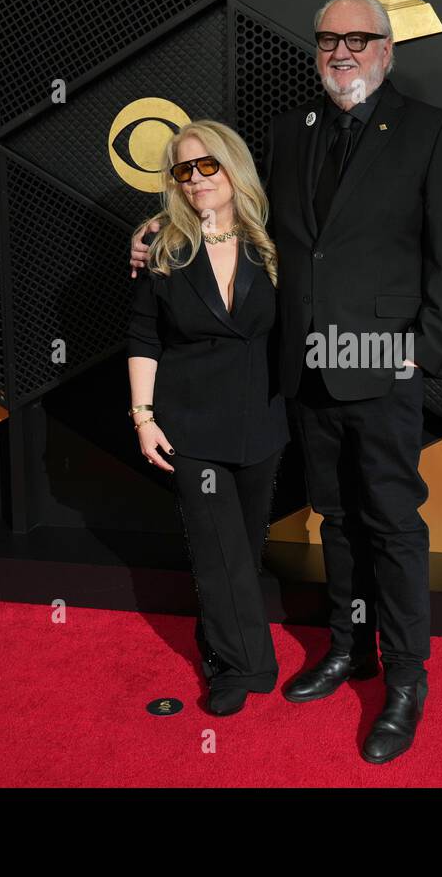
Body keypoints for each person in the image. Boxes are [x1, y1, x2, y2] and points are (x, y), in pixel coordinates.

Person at [132, 0, 442, 763]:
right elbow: (237, 210)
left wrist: (421, 352)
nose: (342, 52)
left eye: (359, 39)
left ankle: (408, 680)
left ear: (388, 49)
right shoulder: (293, 132)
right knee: (337, 520)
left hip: (384, 367)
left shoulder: (431, 132)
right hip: (308, 370)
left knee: (391, 523)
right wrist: (158, 225)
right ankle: (351, 650)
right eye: (328, 40)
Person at [127, 119, 289, 718]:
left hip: (261, 423)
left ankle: (215, 641)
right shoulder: (165, 247)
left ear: (231, 166)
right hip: (189, 425)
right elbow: (143, 336)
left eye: (206, 166)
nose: (195, 181)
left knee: (240, 549)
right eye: (182, 172)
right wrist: (143, 416)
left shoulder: (273, 241)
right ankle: (242, 665)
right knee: (216, 548)